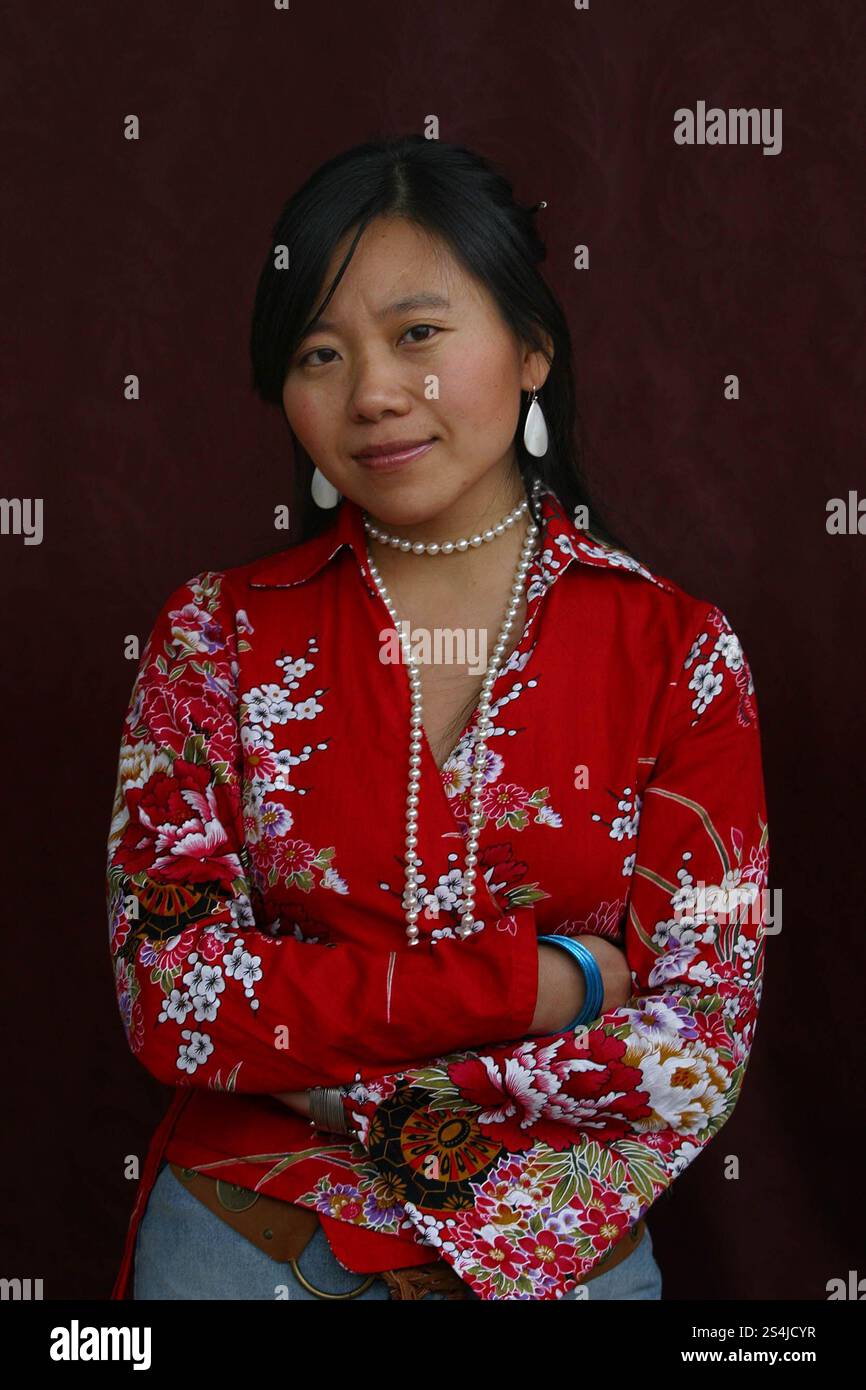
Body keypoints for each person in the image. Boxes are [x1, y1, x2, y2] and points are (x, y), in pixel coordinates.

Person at [106, 135, 769, 1302]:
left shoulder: (677, 654)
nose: (370, 391)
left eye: (417, 333)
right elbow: (173, 991)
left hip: (558, 1265)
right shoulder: (211, 635)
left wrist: (324, 1081)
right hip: (241, 1243)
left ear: (528, 348)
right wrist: (541, 986)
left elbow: (695, 1035)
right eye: (321, 352)